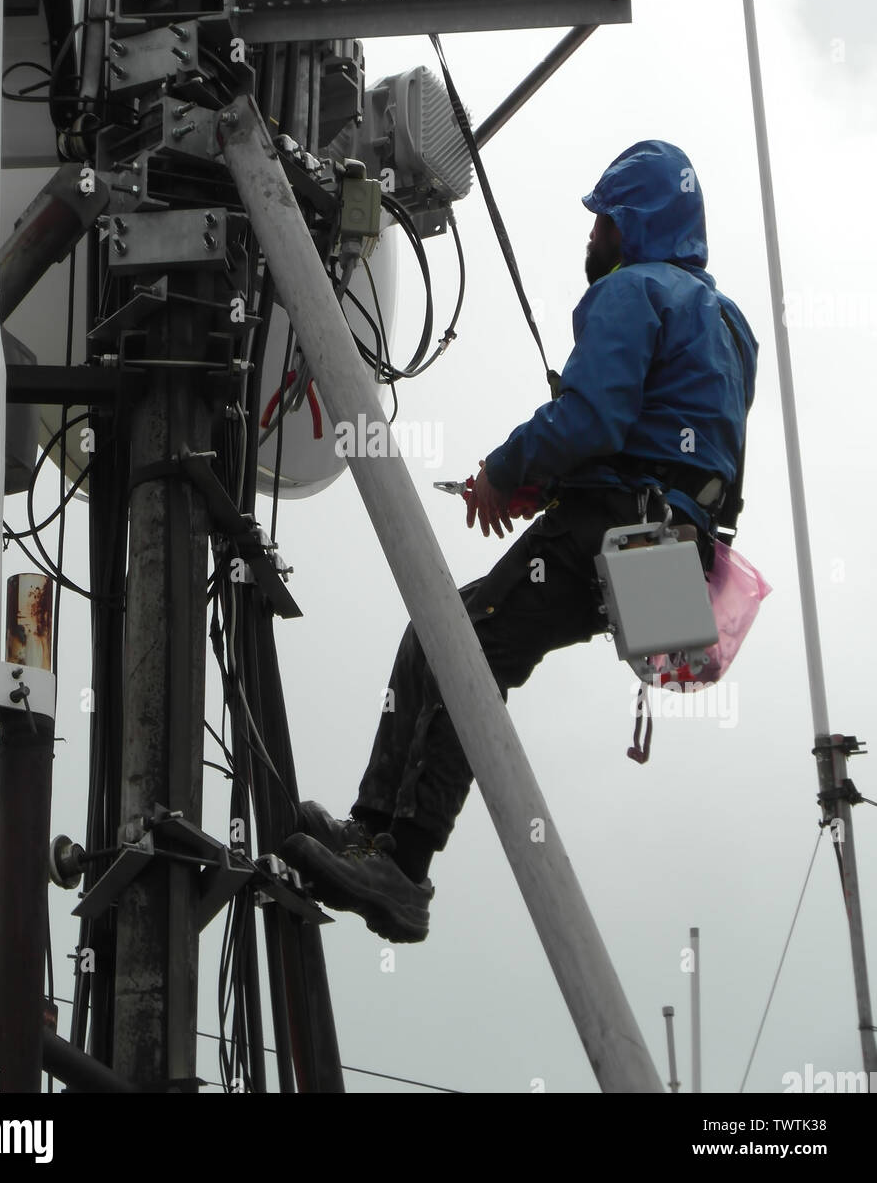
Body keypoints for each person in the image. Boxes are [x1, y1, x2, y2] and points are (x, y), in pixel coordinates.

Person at [281, 139, 758, 943]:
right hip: (672, 547)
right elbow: (673, 438)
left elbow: (592, 418)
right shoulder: (725, 322)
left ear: (629, 222)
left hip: (605, 535)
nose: (592, 236)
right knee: (442, 633)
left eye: (602, 219)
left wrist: (506, 470)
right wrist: (547, 481)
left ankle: (402, 864)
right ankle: (373, 831)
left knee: (463, 644)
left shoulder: (629, 292)